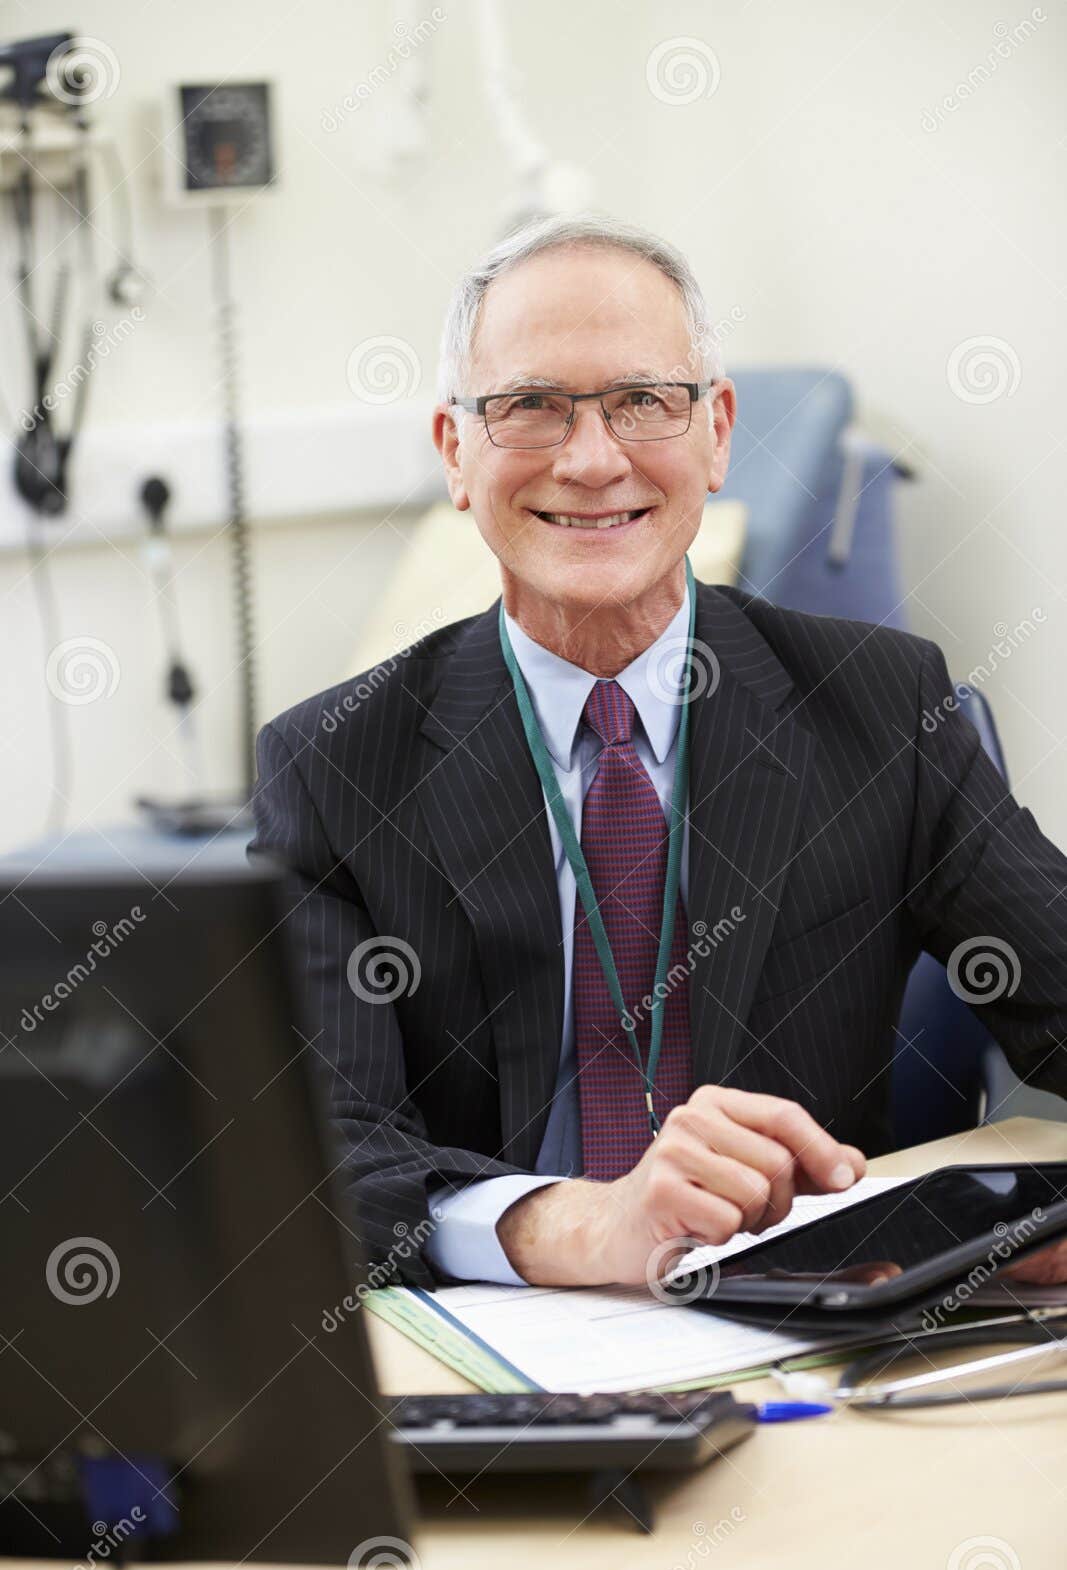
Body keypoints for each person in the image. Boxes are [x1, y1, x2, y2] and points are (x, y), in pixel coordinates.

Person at [250, 214, 1067, 1292]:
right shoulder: (334, 764)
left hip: (812, 1337)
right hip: (495, 1354)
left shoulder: (878, 708)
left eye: (643, 400)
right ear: (456, 452)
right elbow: (320, 1155)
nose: (592, 460)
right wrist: (583, 1226)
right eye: (529, 405)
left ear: (716, 432)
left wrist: (998, 1231)